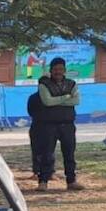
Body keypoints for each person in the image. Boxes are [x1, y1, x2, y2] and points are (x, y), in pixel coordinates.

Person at [32, 57, 84, 191]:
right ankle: (43, 181)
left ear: (65, 70)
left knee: (69, 154)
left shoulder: (72, 84)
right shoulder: (44, 85)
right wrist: (66, 97)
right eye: (55, 69)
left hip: (67, 125)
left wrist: (58, 100)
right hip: (49, 125)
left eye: (60, 69)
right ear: (51, 70)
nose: (58, 72)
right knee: (47, 154)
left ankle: (71, 181)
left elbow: (76, 101)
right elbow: (47, 102)